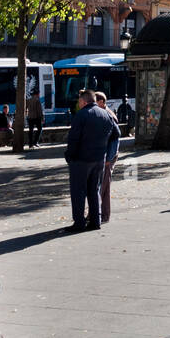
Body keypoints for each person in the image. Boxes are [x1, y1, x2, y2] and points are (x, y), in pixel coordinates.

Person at [64, 89, 120, 232]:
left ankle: (79, 222)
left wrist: (69, 156)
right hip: (99, 159)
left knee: (78, 191)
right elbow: (116, 133)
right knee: (94, 190)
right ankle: (96, 221)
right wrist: (105, 149)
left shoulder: (81, 115)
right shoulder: (106, 114)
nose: (78, 104)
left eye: (79, 101)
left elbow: (73, 139)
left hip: (81, 159)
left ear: (83, 101)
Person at [93, 92, 120, 223]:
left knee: (102, 187)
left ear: (101, 102)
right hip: (107, 156)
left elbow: (115, 139)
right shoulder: (106, 113)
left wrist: (109, 159)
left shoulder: (108, 115)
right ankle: (102, 214)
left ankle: (100, 214)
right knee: (103, 186)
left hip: (108, 157)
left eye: (95, 102)